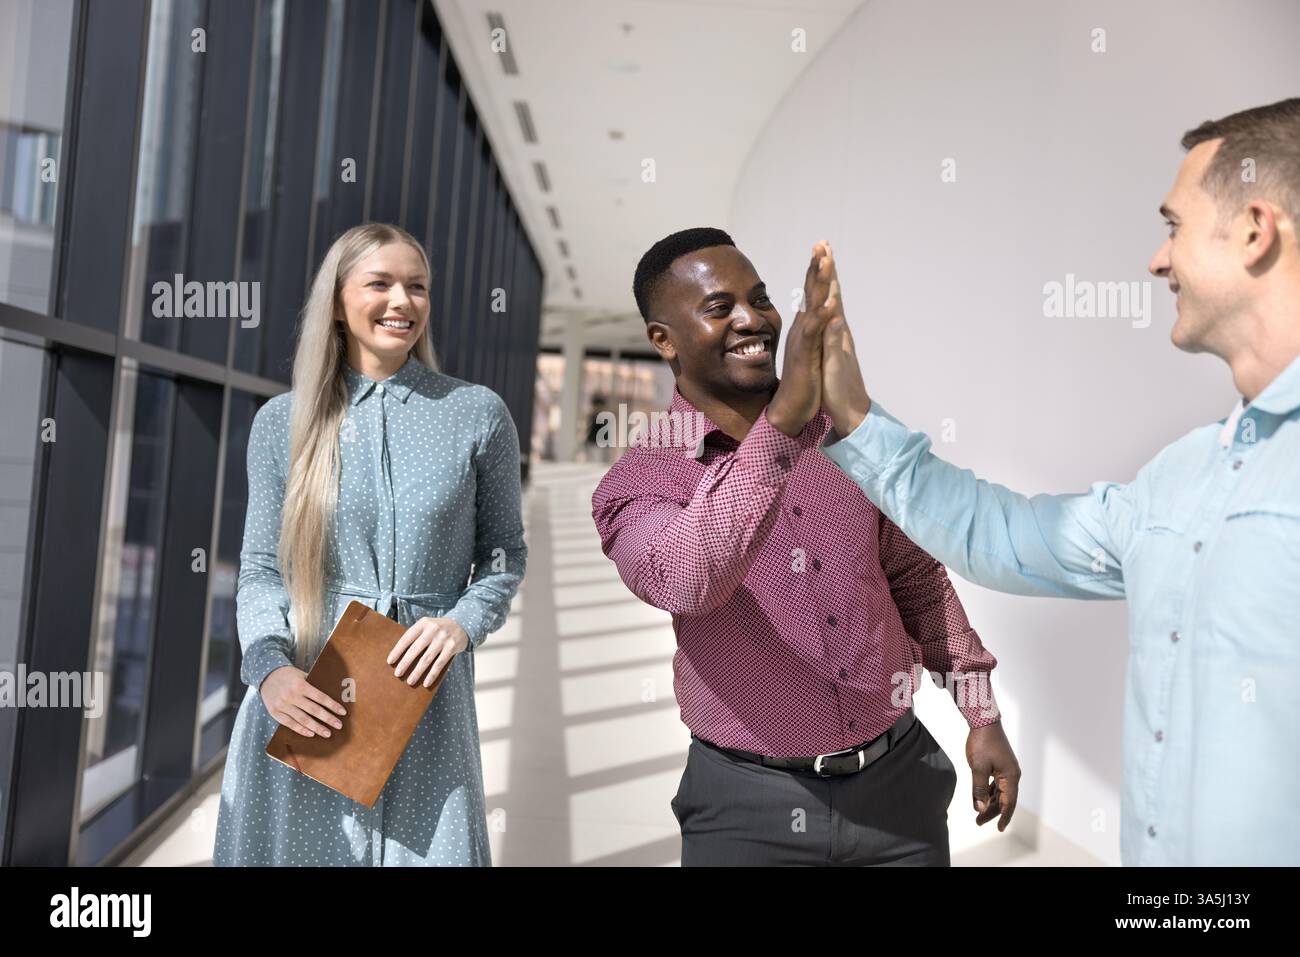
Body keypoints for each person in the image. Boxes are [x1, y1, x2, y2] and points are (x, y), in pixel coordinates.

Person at [814, 98, 1300, 866]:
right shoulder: (1183, 477)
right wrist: (854, 415)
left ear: (1254, 229)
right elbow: (1001, 536)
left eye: (1173, 225)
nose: (1157, 259)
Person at [590, 228, 1020, 866]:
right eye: (718, 308)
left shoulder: (849, 442)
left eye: (760, 299)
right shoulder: (641, 480)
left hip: (901, 786)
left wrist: (981, 713)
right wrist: (781, 427)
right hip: (747, 808)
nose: (751, 319)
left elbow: (916, 581)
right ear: (664, 340)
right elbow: (685, 579)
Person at [214, 222, 527, 866]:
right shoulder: (283, 423)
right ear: (337, 300)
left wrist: (462, 624)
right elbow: (261, 569)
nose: (403, 302)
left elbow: (504, 554)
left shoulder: (477, 413)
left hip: (425, 695)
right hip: (309, 692)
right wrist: (268, 669)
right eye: (380, 283)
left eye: (418, 287)